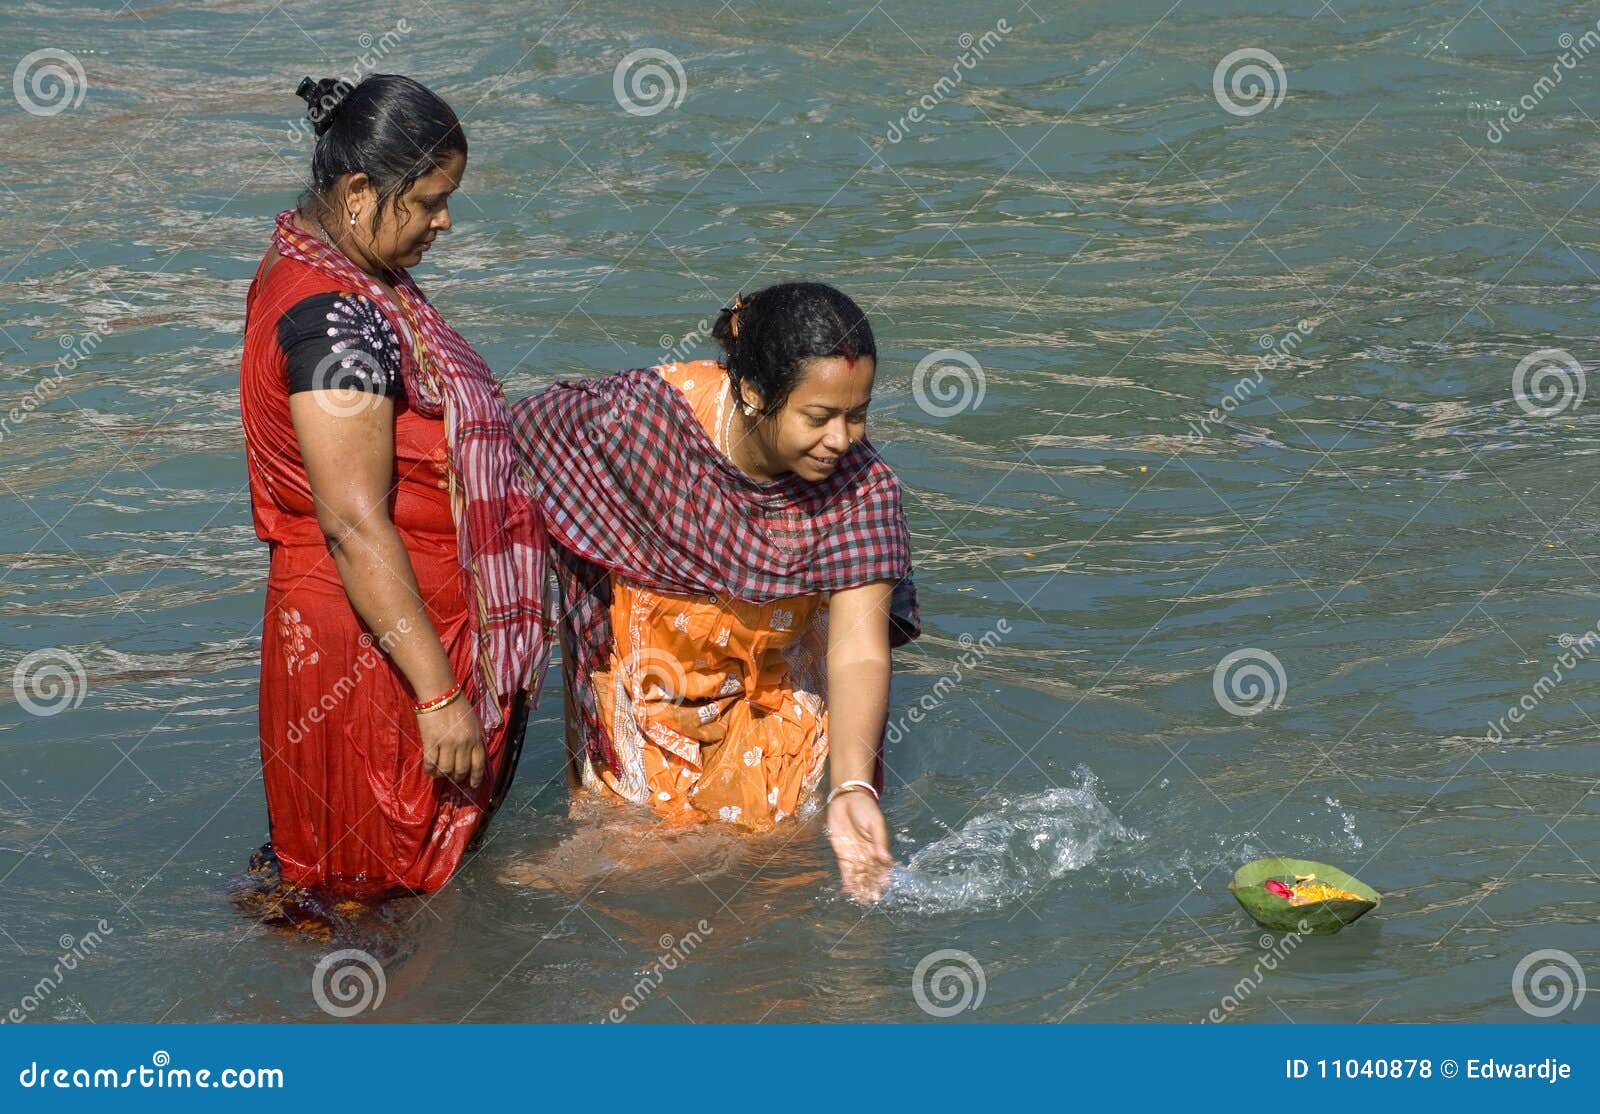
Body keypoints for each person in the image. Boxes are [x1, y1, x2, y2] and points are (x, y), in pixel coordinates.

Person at [237, 74, 547, 898]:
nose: (444, 220)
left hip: (367, 628)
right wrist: (440, 694)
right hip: (373, 647)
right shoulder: (332, 317)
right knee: (372, 892)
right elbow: (350, 522)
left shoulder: (319, 261)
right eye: (430, 201)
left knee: (338, 881)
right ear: (360, 192)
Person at [511, 282, 919, 900]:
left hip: (778, 676)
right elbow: (504, 448)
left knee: (770, 863)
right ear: (753, 393)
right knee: (633, 858)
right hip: (651, 666)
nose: (842, 440)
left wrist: (853, 787)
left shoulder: (862, 487)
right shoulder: (642, 421)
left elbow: (859, 649)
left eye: (856, 414)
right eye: (818, 418)